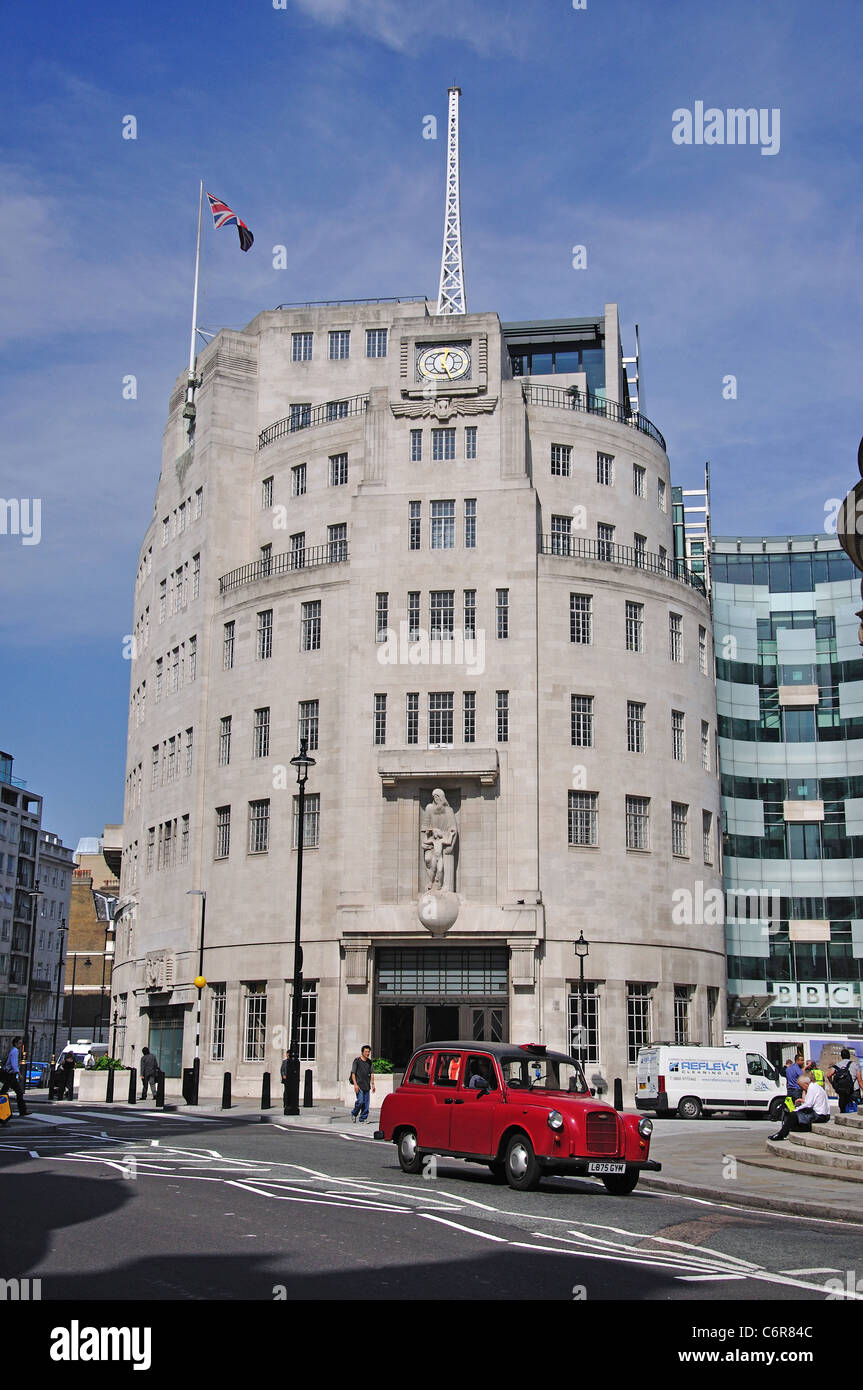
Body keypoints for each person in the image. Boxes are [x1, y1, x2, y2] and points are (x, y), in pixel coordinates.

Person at [770, 1074, 831, 1141]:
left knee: (793, 1115)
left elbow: (808, 1104)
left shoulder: (812, 1088)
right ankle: (785, 1131)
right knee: (794, 1120)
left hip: (819, 1116)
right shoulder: (817, 1087)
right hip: (825, 1115)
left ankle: (781, 1135)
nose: (801, 1088)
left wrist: (795, 1110)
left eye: (801, 1086)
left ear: (806, 1084)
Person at [829, 1049, 862, 1113]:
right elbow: (860, 1081)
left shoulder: (837, 1065)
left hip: (842, 1092)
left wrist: (833, 1084)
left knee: (843, 1110)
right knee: (856, 1110)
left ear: (841, 1056)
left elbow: (828, 1075)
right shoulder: (855, 1065)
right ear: (849, 1056)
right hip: (854, 1091)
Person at [0, 1037, 27, 1117]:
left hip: (9, 1074)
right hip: (10, 1075)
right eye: (19, 1043)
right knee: (14, 1092)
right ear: (15, 1043)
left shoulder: (13, 1050)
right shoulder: (15, 1051)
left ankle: (22, 1111)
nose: (20, 1044)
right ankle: (22, 1111)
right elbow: (14, 1064)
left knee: (16, 1092)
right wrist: (19, 1073)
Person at [350, 1045, 375, 1123]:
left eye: (369, 1052)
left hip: (367, 1085)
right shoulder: (357, 1061)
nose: (367, 1053)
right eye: (366, 1052)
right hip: (359, 1085)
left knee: (366, 1104)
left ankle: (363, 1118)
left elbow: (372, 1073)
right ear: (362, 1052)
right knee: (360, 1101)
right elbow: (353, 1073)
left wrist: (373, 1084)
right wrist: (355, 1085)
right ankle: (354, 1113)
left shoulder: (369, 1062)